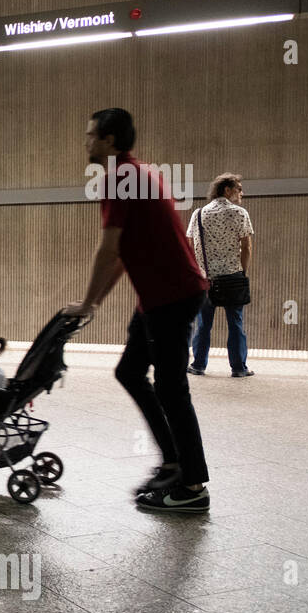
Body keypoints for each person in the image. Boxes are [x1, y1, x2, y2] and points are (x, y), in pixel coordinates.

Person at [63, 108, 211, 513]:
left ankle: (193, 485)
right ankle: (174, 462)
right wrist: (93, 302)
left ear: (110, 140)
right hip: (159, 296)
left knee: (171, 389)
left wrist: (89, 302)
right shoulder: (137, 173)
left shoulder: (119, 178)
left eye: (91, 135)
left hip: (172, 295)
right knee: (130, 371)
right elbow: (124, 255)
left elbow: (108, 248)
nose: (86, 141)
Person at [187, 173, 254, 378]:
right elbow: (246, 246)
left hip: (206, 279)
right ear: (227, 190)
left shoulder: (198, 214)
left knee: (203, 324)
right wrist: (243, 272)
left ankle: (198, 364)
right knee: (235, 323)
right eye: (239, 188)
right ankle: (239, 368)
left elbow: (190, 245)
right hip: (233, 277)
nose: (242, 193)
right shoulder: (240, 213)